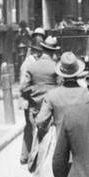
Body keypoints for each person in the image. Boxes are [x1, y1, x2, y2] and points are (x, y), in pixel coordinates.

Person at [30, 51, 89, 177]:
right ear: (77, 72)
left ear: (61, 74)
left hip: (61, 148)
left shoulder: (52, 95)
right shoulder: (87, 94)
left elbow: (40, 121)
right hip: (84, 148)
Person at [18, 35, 59, 166]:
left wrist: (35, 91)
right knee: (51, 132)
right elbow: (60, 86)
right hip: (51, 106)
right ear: (53, 51)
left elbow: (23, 87)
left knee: (36, 131)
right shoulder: (56, 67)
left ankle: (33, 160)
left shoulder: (32, 67)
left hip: (35, 105)